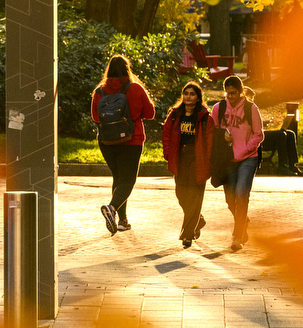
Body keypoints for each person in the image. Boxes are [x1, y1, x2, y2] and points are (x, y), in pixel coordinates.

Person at [90, 54, 157, 234]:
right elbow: (150, 113)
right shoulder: (135, 88)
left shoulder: (99, 91)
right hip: (131, 140)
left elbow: (95, 117)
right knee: (128, 180)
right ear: (127, 69)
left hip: (107, 142)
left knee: (119, 179)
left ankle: (123, 221)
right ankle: (111, 208)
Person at [212, 75, 263, 250]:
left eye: (234, 93)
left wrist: (245, 149)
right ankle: (243, 221)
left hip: (248, 158)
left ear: (241, 91)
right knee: (230, 199)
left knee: (241, 195)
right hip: (228, 159)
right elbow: (212, 132)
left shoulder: (251, 108)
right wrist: (223, 137)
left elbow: (258, 134)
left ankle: (237, 236)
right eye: (227, 93)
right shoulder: (219, 108)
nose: (230, 97)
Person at [160, 82, 214, 248]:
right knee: (181, 194)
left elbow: (210, 141)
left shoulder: (205, 117)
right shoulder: (175, 115)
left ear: (198, 97)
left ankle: (187, 235)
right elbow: (167, 134)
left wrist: (207, 161)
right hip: (180, 157)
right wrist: (168, 153)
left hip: (197, 159)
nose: (188, 97)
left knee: (196, 197)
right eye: (186, 93)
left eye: (192, 94)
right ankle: (199, 220)